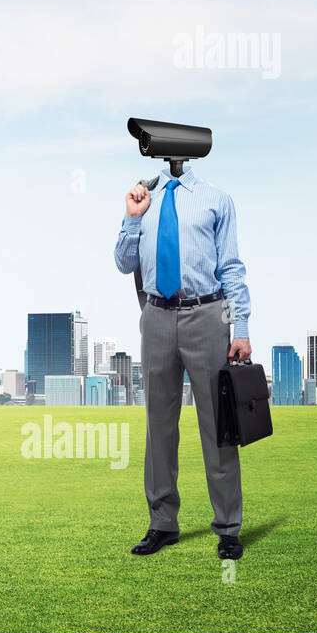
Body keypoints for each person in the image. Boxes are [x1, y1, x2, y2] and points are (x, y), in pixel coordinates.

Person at [114, 164, 251, 560]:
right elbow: (124, 263)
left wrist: (239, 327)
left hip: (208, 316)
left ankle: (228, 528)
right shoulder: (144, 198)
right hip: (156, 316)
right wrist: (131, 218)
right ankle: (163, 524)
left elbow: (230, 267)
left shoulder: (215, 199)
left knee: (218, 424)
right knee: (159, 425)